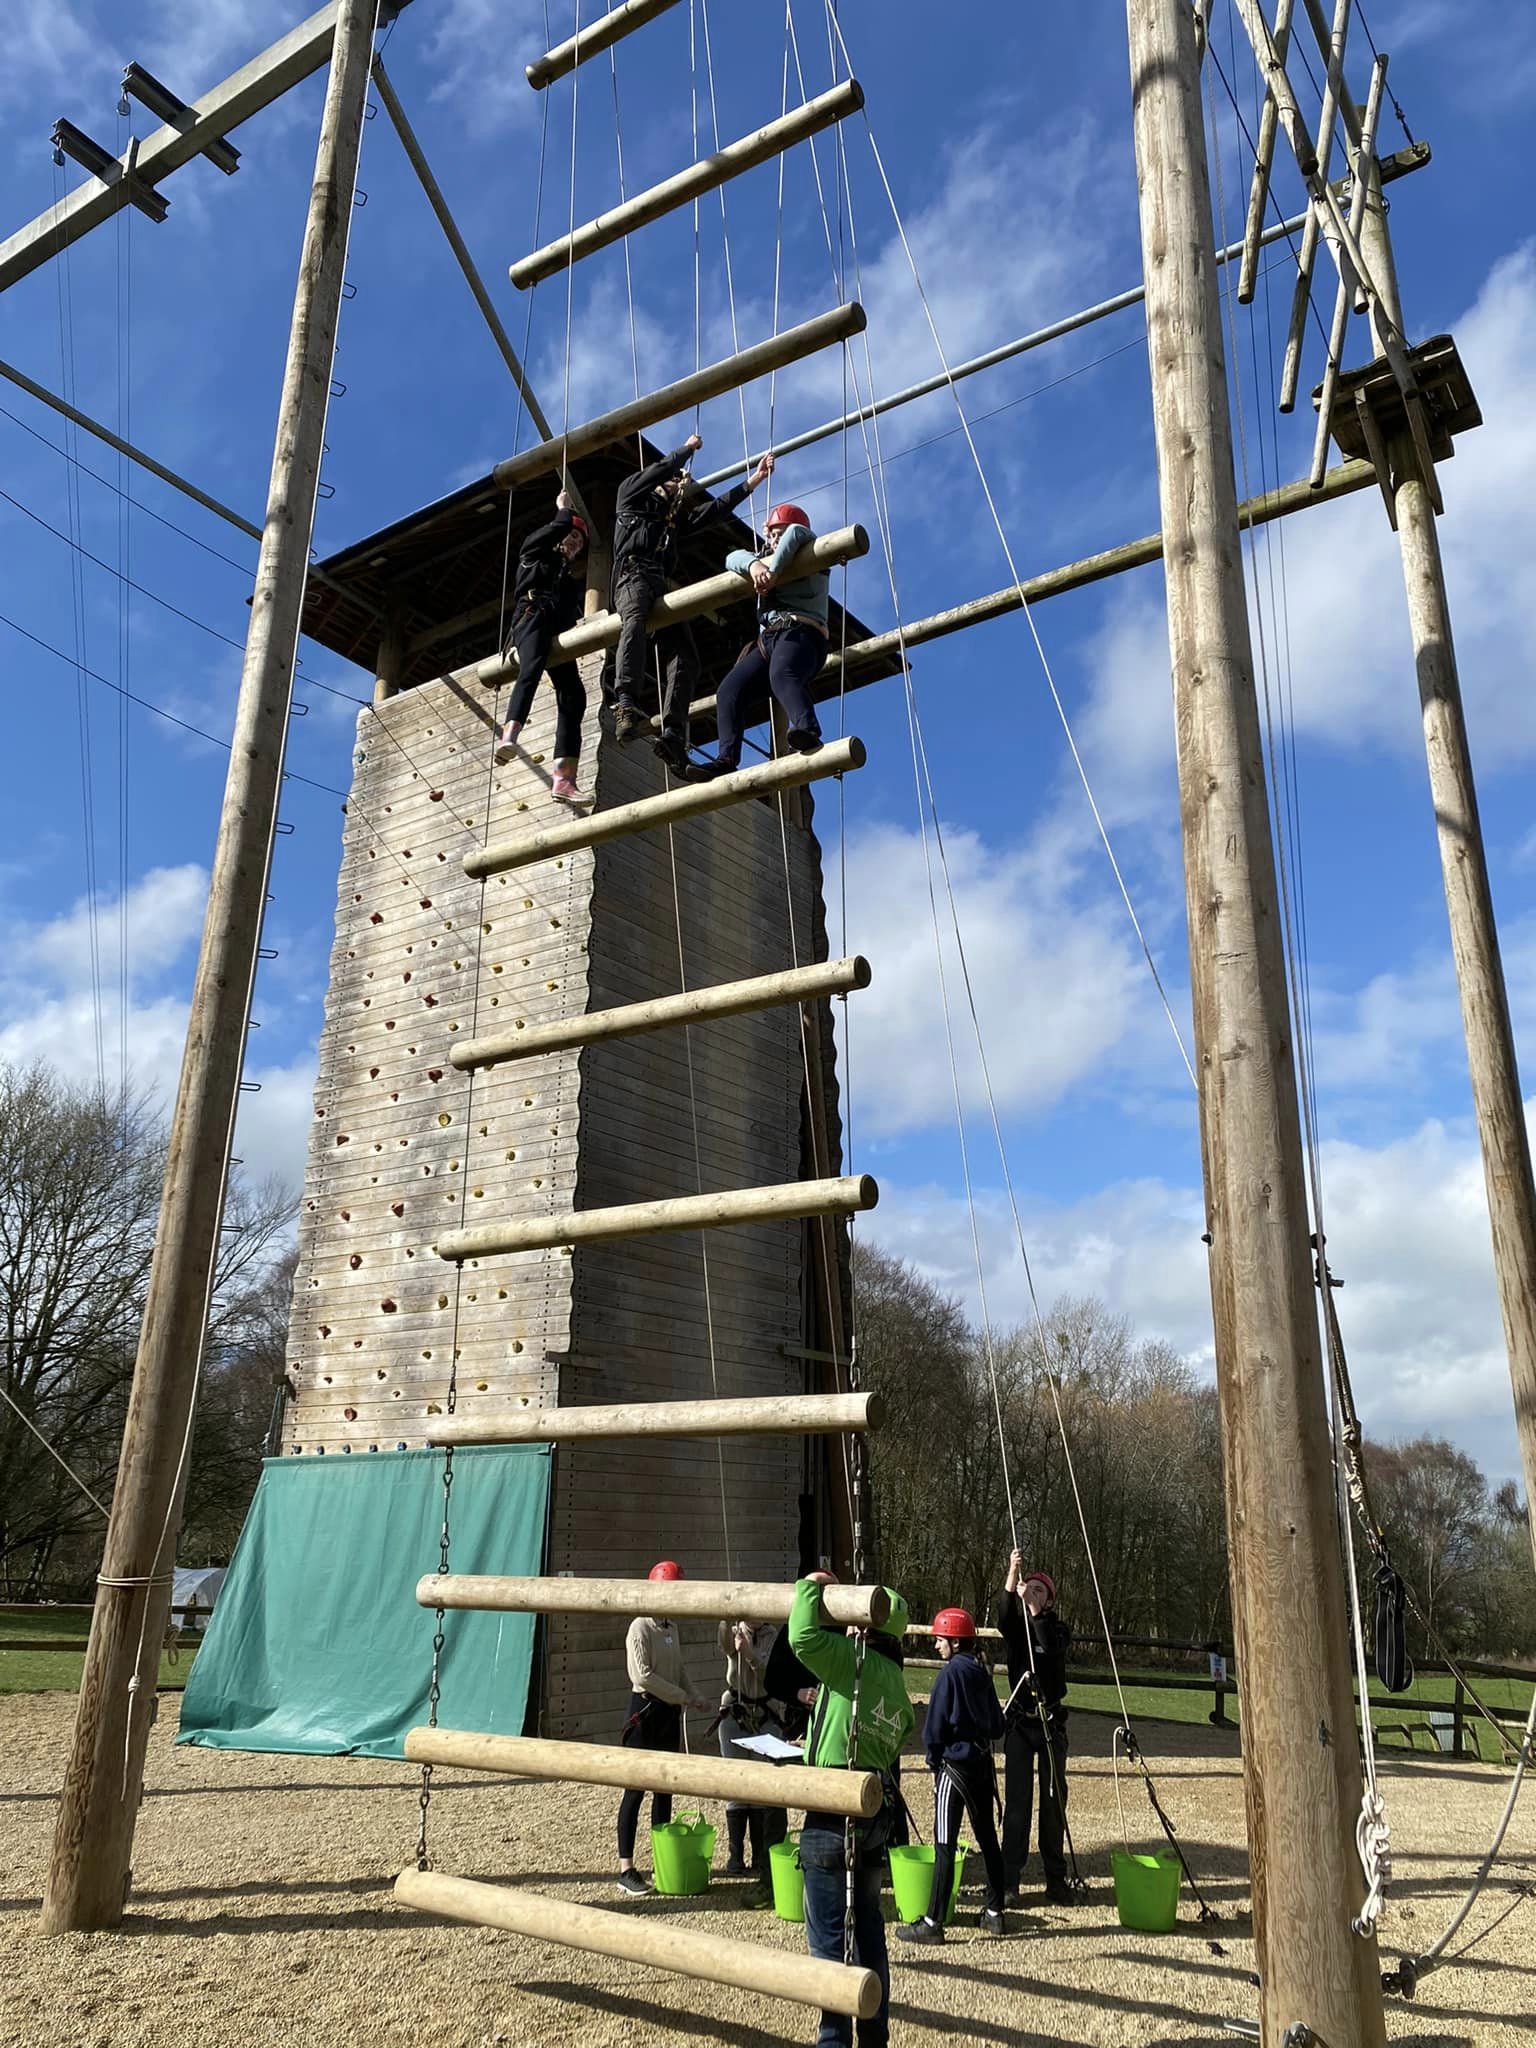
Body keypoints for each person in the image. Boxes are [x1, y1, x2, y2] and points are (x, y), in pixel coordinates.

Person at [789, 1570, 913, 2048]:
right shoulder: (899, 1689)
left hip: (831, 1809)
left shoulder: (852, 1663)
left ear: (864, 1626)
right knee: (867, 1929)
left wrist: (811, 1585)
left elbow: (802, 1635)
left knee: (826, 1940)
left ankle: (833, 2040)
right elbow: (895, 1736)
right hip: (873, 1810)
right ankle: (875, 2034)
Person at [602, 436, 775, 773]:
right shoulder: (630, 496)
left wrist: (753, 482)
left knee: (687, 656)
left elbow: (713, 511)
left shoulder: (670, 522)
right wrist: (685, 451)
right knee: (634, 621)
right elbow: (660, 469)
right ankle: (625, 702)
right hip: (631, 575)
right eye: (669, 482)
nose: (674, 486)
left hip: (658, 583)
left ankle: (673, 732)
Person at [687, 500, 828, 781]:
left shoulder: (810, 550)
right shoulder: (763, 561)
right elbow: (732, 558)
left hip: (802, 633)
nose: (775, 538)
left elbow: (797, 533)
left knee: (783, 676)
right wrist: (754, 566)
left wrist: (773, 572)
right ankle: (726, 757)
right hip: (769, 639)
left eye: (779, 532)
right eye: (772, 534)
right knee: (729, 690)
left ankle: (807, 729)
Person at [895, 1606, 1008, 1943]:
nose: (936, 1646)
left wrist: (933, 1761)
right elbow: (998, 1725)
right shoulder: (981, 1672)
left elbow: (934, 1727)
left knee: (944, 1844)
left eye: (940, 1639)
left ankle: (932, 1922)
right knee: (988, 1839)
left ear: (956, 1642)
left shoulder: (949, 1675)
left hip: (953, 1767)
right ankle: (995, 1912)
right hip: (980, 1766)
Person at [615, 1560, 710, 1896]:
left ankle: (662, 1859)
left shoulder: (671, 1628)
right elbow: (642, 1675)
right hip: (644, 1712)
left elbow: (679, 1668)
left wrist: (695, 1697)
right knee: (635, 1790)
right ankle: (626, 1867)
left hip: (669, 1712)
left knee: (664, 1788)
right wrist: (681, 1695)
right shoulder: (639, 1627)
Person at [493, 488, 591, 802]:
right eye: (571, 536)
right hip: (530, 618)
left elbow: (566, 615)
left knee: (574, 694)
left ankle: (564, 777)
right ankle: (510, 733)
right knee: (532, 664)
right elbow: (558, 528)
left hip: (552, 628)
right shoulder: (533, 552)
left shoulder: (567, 582)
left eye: (579, 542)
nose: (574, 543)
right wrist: (563, 509)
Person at [996, 1551, 1075, 1904]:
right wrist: (1013, 1573)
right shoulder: (1016, 1630)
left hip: (1051, 1725)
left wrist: (1034, 1610)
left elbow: (1049, 1645)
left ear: (1051, 1599)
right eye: (1034, 1589)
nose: (1036, 1594)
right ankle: (1010, 1878)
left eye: (1042, 1592)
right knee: (1017, 1804)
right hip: (1020, 1724)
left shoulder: (1056, 1628)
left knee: (1053, 1801)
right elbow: (1003, 1613)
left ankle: (1055, 1879)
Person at [715, 1619, 788, 1893]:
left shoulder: (774, 1637)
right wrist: (726, 1620)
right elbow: (723, 1641)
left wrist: (749, 1654)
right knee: (736, 1782)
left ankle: (759, 1854)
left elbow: (770, 1673)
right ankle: (736, 1855)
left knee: (760, 1784)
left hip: (765, 1711)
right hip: (735, 1710)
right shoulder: (734, 1631)